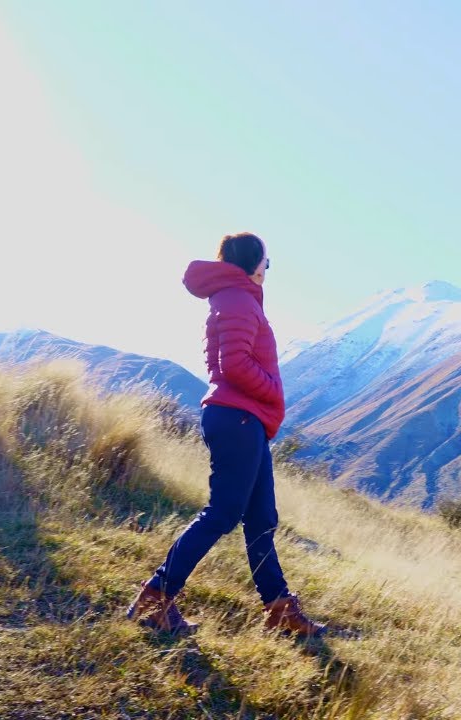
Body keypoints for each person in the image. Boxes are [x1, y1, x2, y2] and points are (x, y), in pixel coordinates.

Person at [126, 232, 327, 638]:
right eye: (267, 262)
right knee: (222, 513)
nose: (268, 269)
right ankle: (156, 597)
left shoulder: (236, 299)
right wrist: (273, 391)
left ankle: (279, 608)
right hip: (238, 418)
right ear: (253, 263)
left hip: (244, 420)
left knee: (261, 518)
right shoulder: (237, 300)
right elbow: (233, 364)